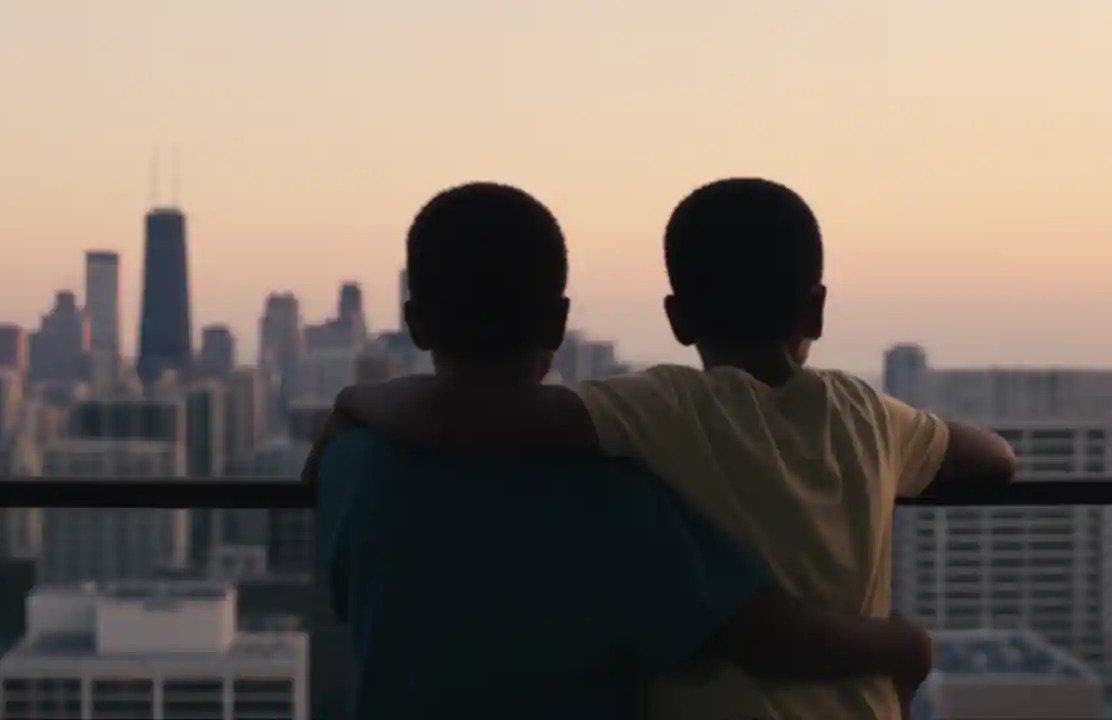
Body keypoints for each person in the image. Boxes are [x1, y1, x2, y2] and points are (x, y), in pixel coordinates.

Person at [312, 182, 933, 720]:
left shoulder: (348, 468)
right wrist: (899, 647)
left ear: (415, 321)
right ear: (559, 323)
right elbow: (760, 632)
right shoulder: (614, 489)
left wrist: (354, 402)